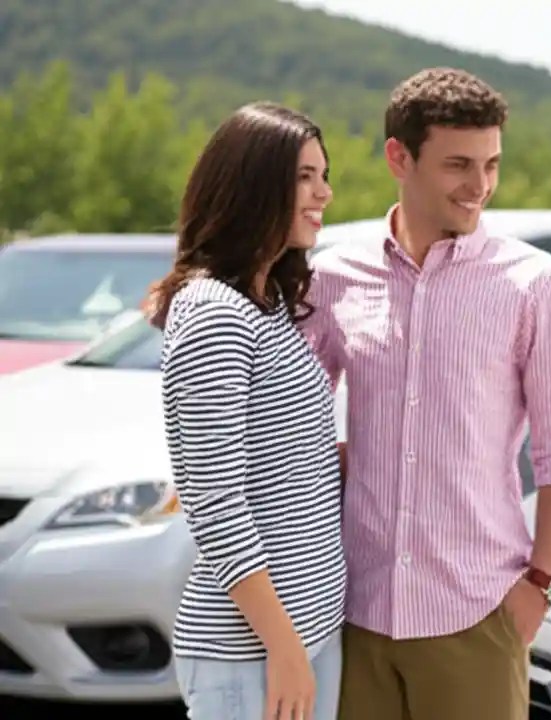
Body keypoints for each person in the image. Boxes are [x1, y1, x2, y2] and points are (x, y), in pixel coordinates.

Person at [301, 67, 551, 720]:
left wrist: (538, 588)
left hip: (477, 614)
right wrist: (342, 457)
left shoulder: (535, 284)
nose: (480, 186)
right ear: (398, 157)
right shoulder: (332, 276)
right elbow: (290, 421)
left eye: (491, 164)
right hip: (354, 612)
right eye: (459, 164)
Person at [151, 102, 345, 720]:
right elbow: (213, 498)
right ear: (254, 184)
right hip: (252, 656)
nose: (325, 193)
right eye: (304, 177)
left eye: (323, 175)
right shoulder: (214, 310)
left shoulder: (269, 305)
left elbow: (278, 461)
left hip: (306, 635)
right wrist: (283, 649)